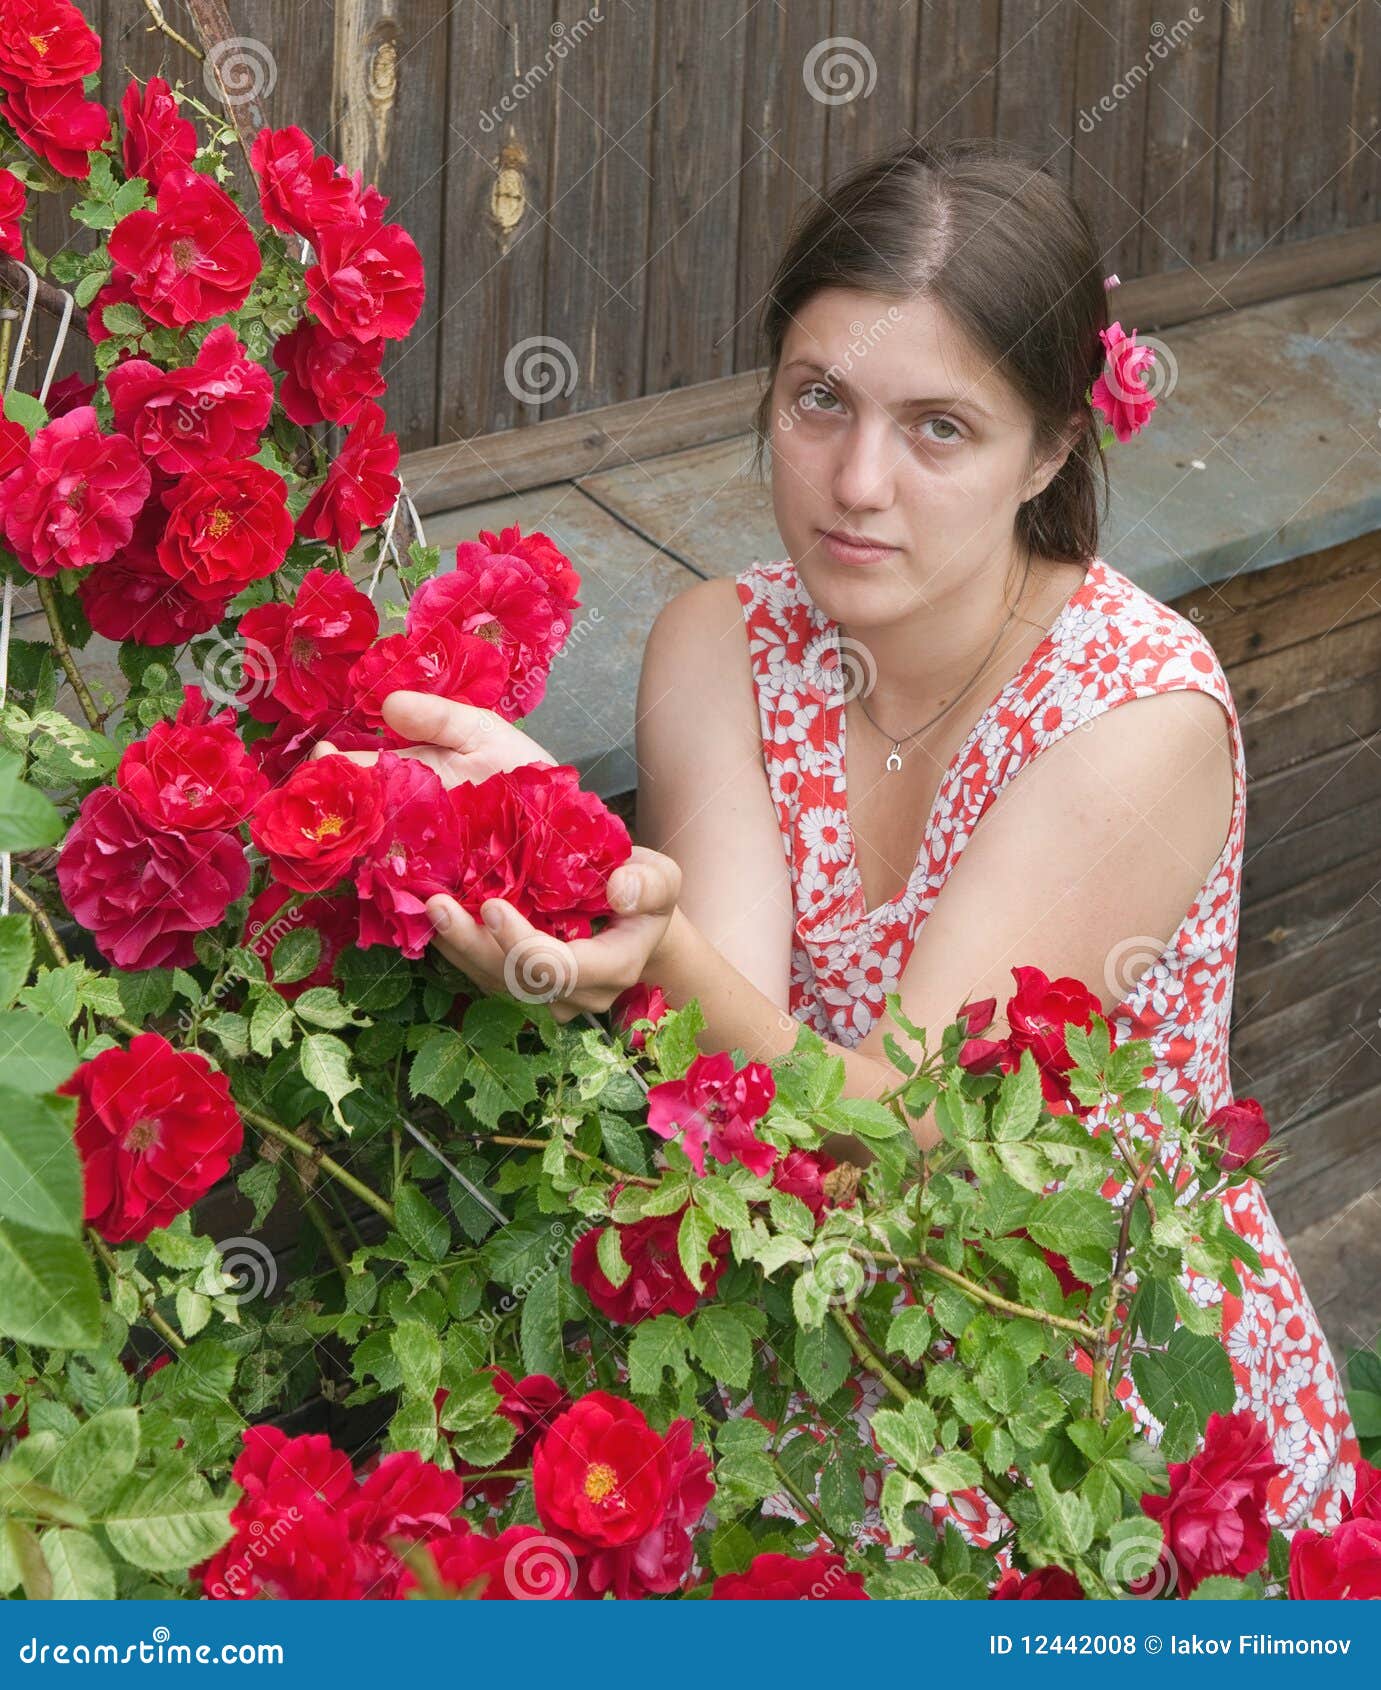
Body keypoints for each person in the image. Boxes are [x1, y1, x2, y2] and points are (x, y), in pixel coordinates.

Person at [320, 138, 1358, 1540]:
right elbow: (730, 1081)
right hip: (810, 1320)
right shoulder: (720, 645)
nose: (855, 481)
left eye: (939, 427)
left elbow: (908, 1133)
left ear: (1051, 442)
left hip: (1079, 1386)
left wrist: (653, 950)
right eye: (820, 401)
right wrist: (553, 854)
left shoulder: (1132, 716)